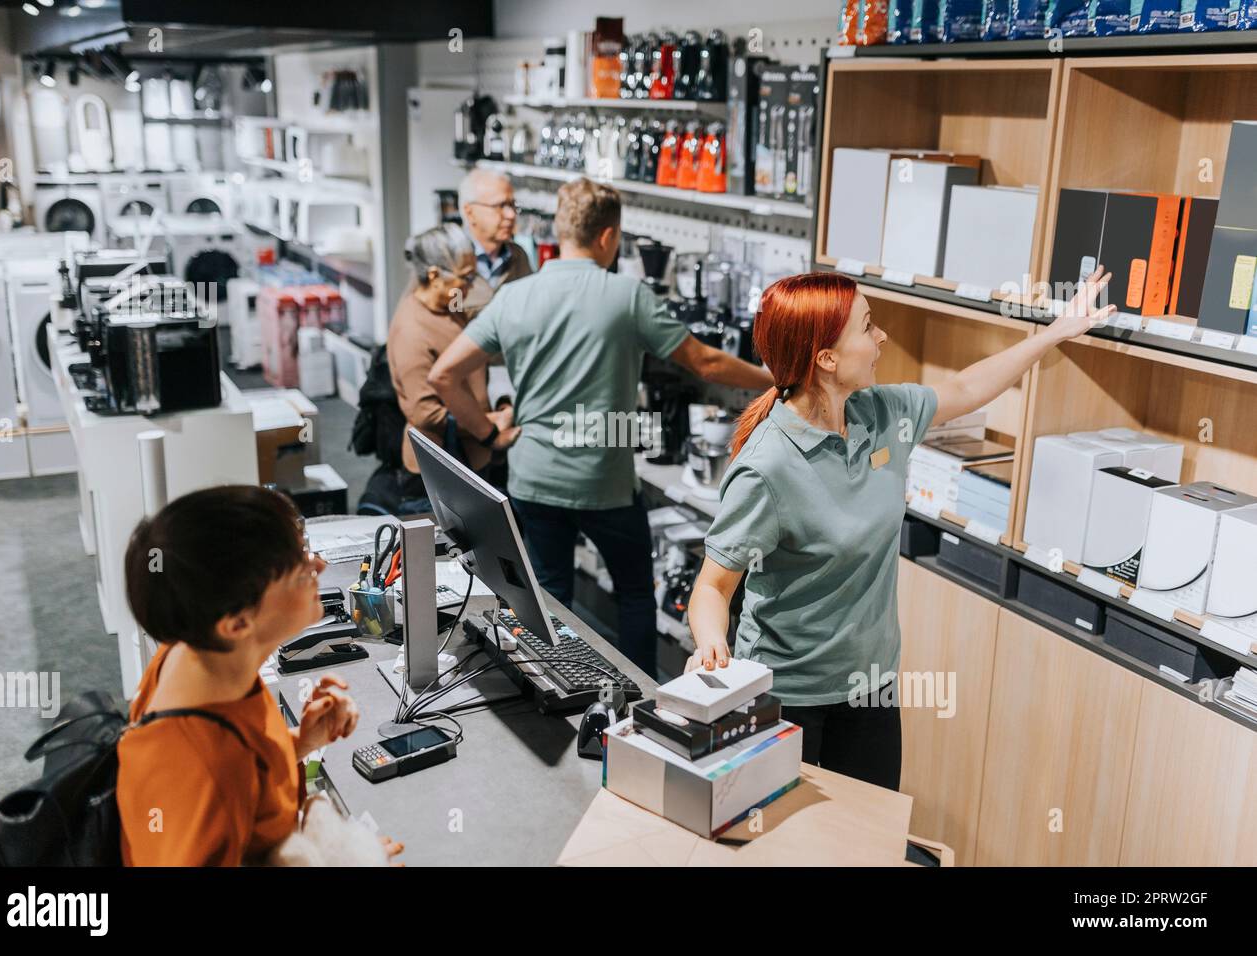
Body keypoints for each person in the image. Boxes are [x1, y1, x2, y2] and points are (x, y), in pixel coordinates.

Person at [686, 268, 1117, 790]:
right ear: (826, 359)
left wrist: (1052, 333)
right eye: (867, 328)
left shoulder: (881, 415)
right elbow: (713, 586)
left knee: (868, 844)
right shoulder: (768, 467)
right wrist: (713, 643)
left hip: (871, 689)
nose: (881, 338)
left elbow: (964, 387)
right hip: (785, 695)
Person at [428, 178, 771, 676]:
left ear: (561, 231)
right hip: (604, 482)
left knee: (549, 596)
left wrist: (487, 432)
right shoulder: (628, 295)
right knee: (634, 595)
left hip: (534, 477)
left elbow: (444, 375)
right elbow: (708, 364)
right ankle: (638, 703)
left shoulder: (512, 297)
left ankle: (557, 688)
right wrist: (775, 378)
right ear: (608, 237)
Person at [116, 485, 403, 866]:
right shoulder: (196, 773)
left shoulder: (202, 655)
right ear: (237, 623)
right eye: (297, 569)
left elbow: (246, 770)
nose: (318, 566)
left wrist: (298, 742)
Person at [382, 223, 517, 515]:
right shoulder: (412, 329)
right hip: (437, 473)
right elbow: (425, 412)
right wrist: (487, 427)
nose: (470, 286)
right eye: (465, 277)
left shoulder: (451, 308)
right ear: (434, 276)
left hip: (470, 460)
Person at [459, 167, 532, 313]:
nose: (511, 215)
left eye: (512, 205)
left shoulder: (518, 257)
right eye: (500, 206)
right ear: (470, 212)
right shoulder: (448, 259)